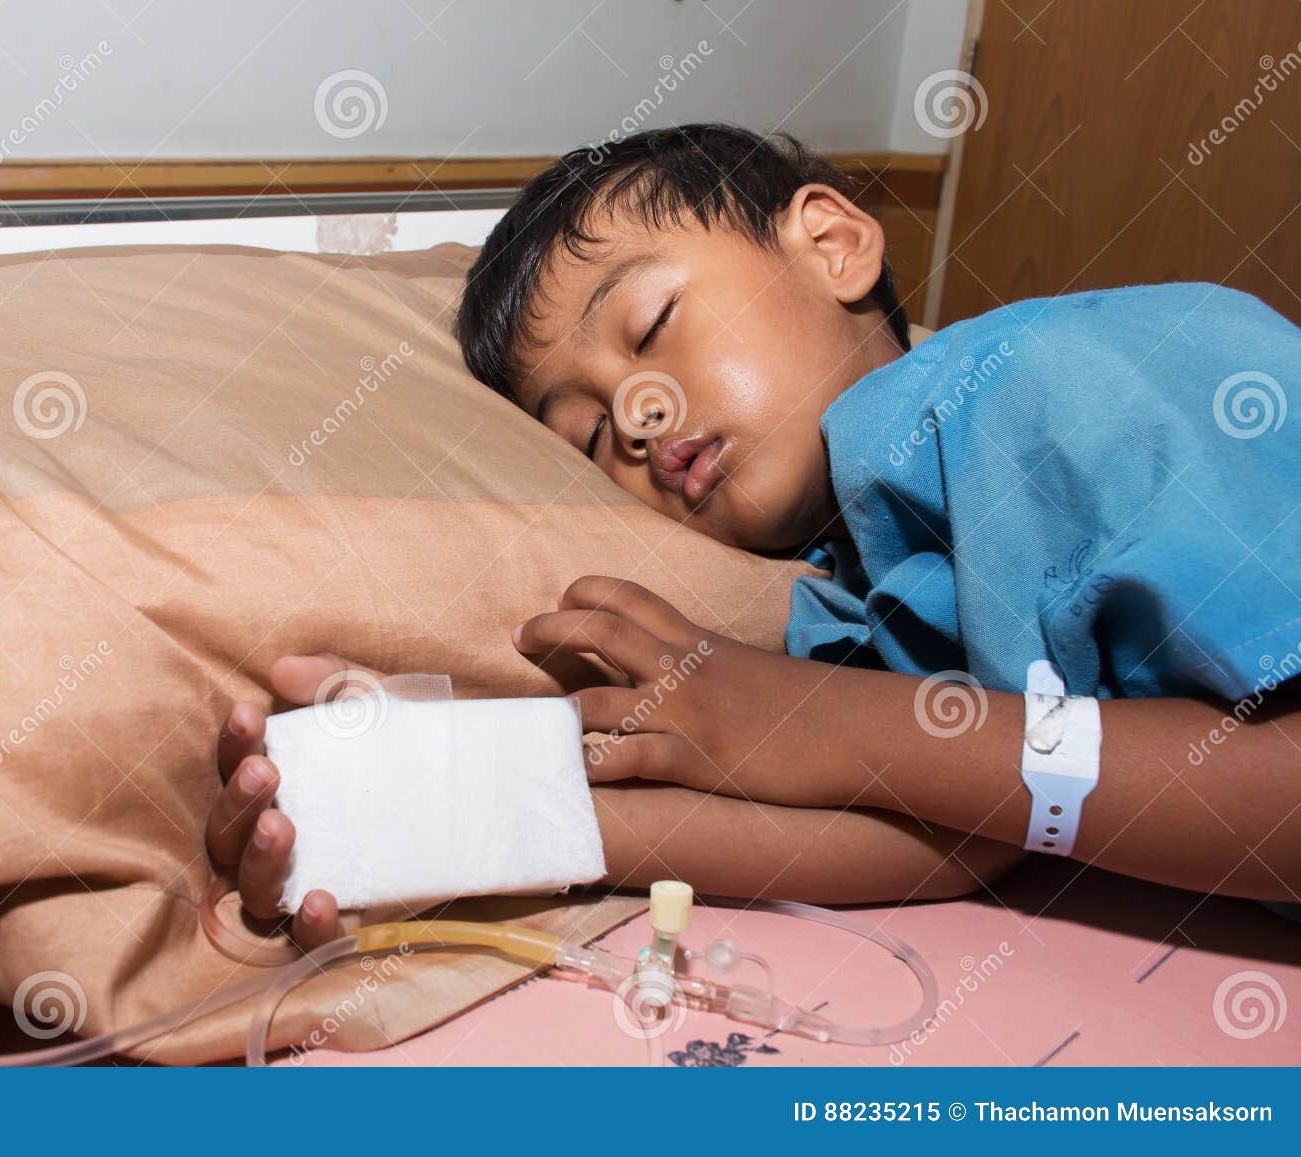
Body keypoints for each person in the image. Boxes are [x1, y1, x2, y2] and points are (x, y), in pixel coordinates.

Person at [209, 125, 1301, 947]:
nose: (636, 413)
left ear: (832, 244)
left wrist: (818, 721)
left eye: (651, 325)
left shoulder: (1081, 374)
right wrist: (452, 805)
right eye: (590, 438)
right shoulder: (853, 582)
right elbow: (961, 832)